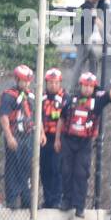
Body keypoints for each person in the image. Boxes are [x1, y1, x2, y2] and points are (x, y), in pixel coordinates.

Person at [59, 70, 111, 218]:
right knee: (66, 171)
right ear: (80, 86)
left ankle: (79, 206)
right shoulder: (70, 100)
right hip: (67, 141)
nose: (87, 88)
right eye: (85, 85)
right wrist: (57, 139)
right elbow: (61, 119)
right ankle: (66, 201)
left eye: (90, 86)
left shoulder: (97, 101)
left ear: (94, 87)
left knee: (81, 173)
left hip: (84, 143)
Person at [0, 65, 37, 209]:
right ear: (17, 79)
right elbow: (4, 117)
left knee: (27, 169)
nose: (26, 83)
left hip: (28, 137)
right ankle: (12, 202)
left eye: (28, 81)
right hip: (15, 137)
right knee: (12, 169)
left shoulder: (31, 96)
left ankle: (27, 202)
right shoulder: (9, 95)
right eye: (23, 81)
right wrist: (9, 137)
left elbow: (36, 116)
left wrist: (41, 133)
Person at [39, 67, 65, 209]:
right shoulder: (41, 99)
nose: (53, 85)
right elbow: (37, 118)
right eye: (50, 83)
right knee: (45, 169)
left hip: (58, 138)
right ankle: (48, 199)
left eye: (55, 83)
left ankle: (57, 199)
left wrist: (59, 138)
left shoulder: (65, 99)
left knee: (57, 169)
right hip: (44, 138)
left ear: (60, 83)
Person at [73, 0, 105, 83]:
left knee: (93, 59)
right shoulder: (89, 7)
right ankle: (73, 88)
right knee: (79, 64)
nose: (98, 0)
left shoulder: (80, 7)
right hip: (83, 40)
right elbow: (97, 21)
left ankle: (92, 82)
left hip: (78, 38)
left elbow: (76, 22)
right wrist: (106, 33)